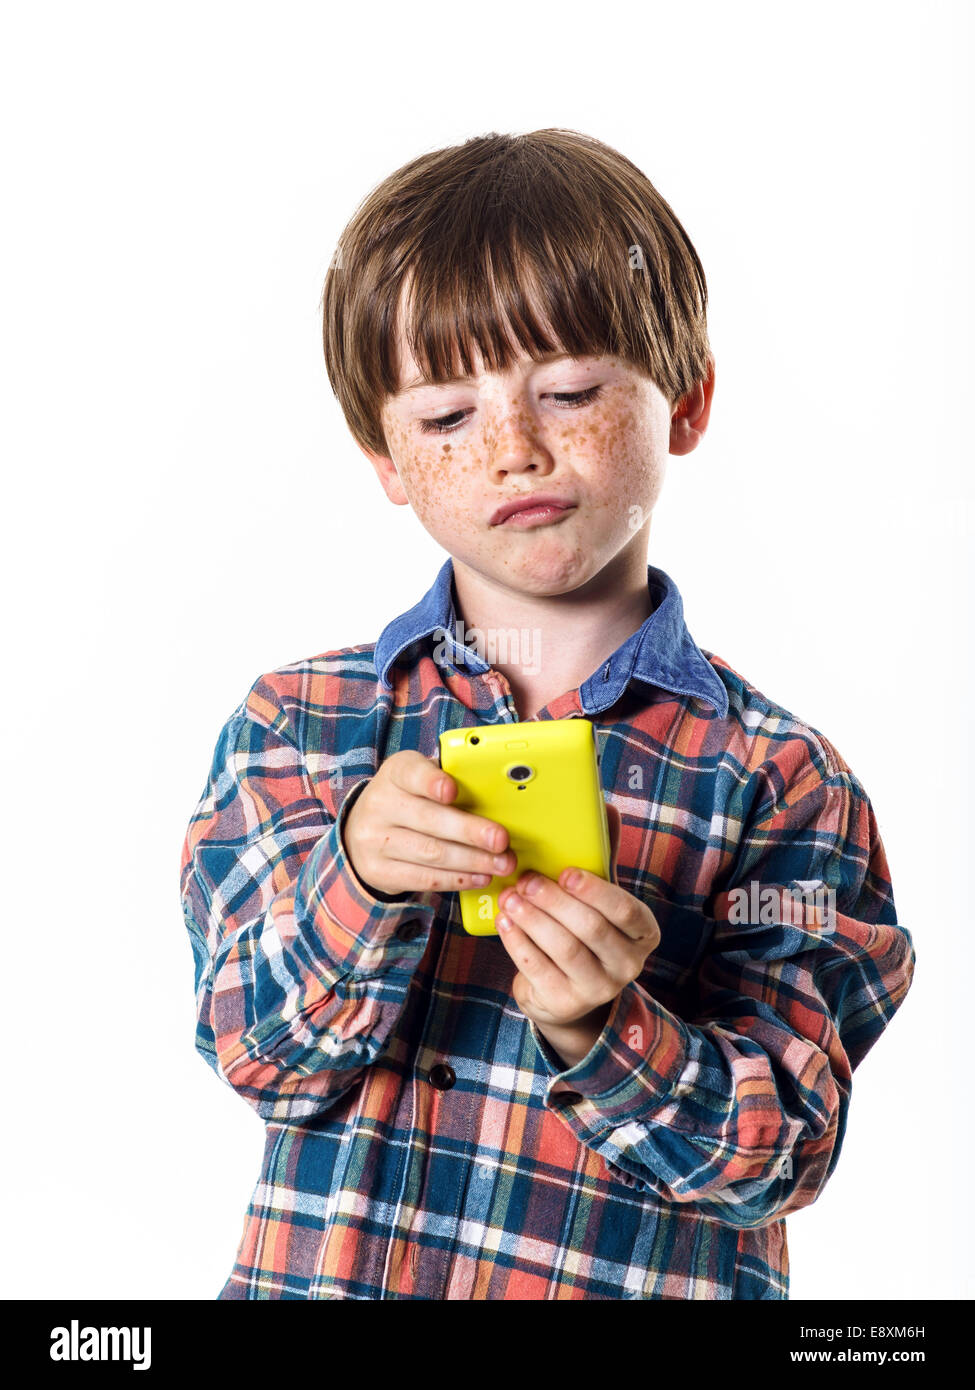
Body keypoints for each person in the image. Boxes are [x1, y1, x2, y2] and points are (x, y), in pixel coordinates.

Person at [179, 128, 915, 1300]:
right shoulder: (299, 727)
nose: (514, 449)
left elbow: (785, 1154)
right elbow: (257, 1053)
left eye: (569, 392)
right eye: (446, 417)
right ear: (384, 459)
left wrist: (605, 1027)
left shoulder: (783, 780)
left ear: (687, 401)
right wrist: (354, 877)